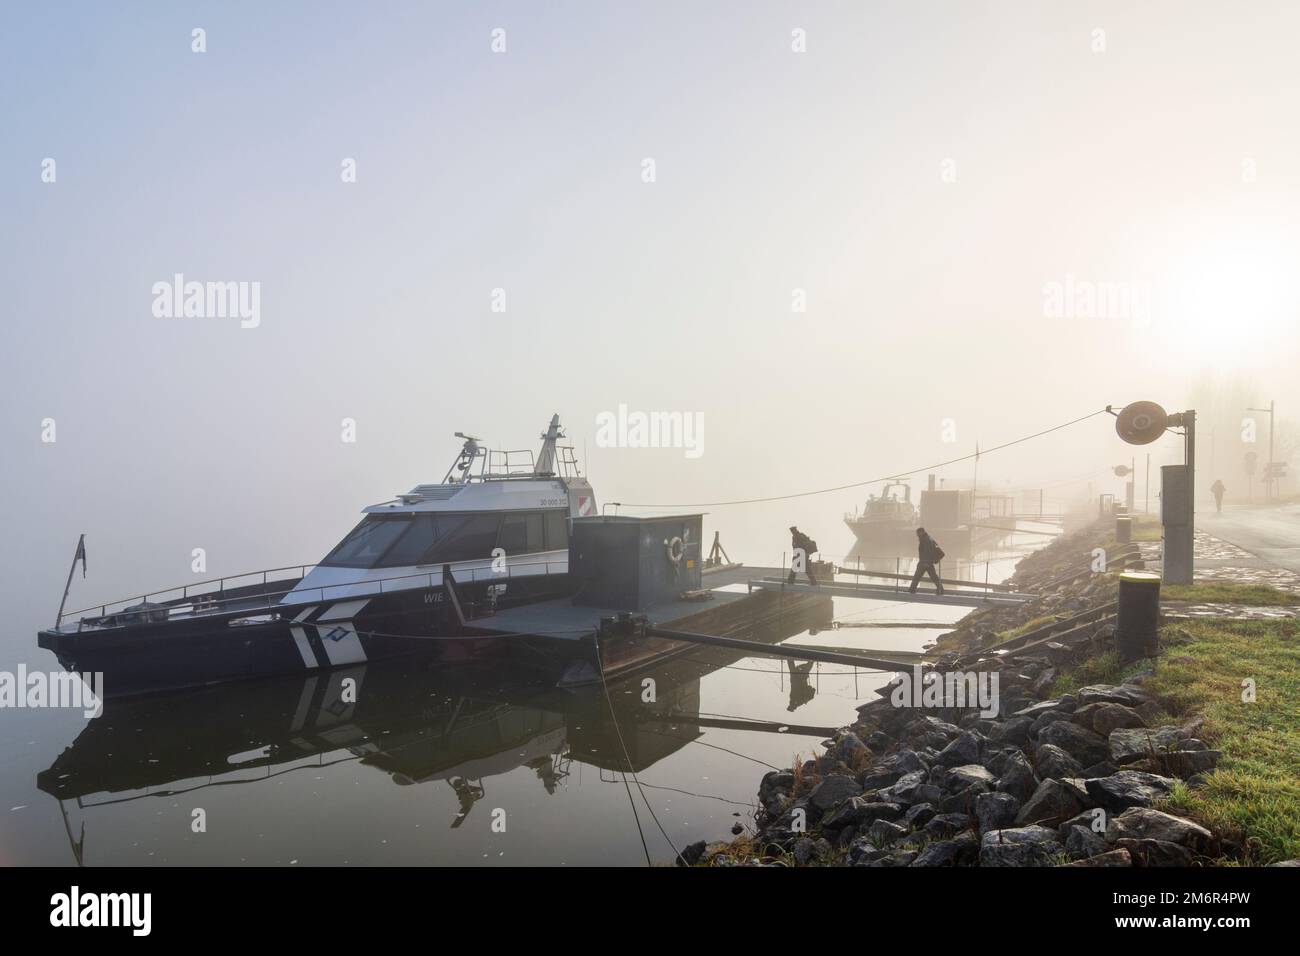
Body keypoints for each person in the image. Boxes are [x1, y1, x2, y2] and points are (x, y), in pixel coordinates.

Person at [909, 527, 945, 595]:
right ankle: (940, 589)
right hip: (927, 562)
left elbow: (927, 551)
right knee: (934, 577)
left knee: (917, 576)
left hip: (925, 562)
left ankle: (912, 590)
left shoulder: (925, 540)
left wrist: (925, 562)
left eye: (918, 533)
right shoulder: (928, 538)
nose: (917, 535)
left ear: (921, 532)